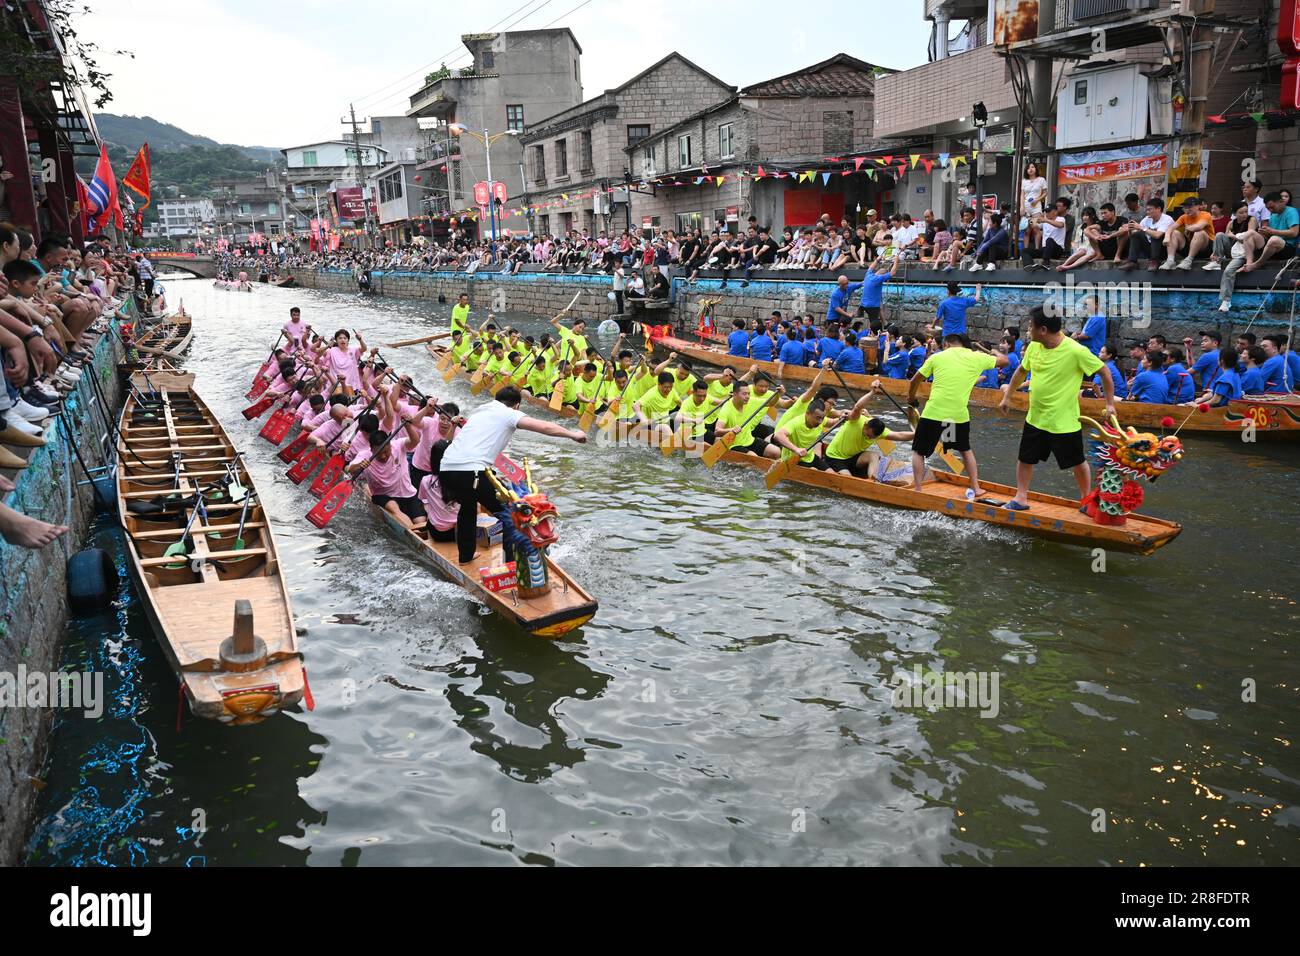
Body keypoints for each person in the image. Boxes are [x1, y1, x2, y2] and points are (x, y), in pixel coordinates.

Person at [439, 387, 587, 564]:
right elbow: (545, 426)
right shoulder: (508, 413)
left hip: (447, 468)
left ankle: (465, 557)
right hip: (471, 471)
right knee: (512, 516)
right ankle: (512, 567)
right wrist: (573, 435)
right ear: (516, 406)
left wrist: (491, 474)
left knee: (468, 508)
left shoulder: (481, 410)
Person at [1000, 307, 1115, 511]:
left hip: (1063, 420)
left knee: (1078, 462)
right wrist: (1008, 396)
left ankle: (1086, 500)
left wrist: (1109, 404)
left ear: (1042, 329)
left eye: (1030, 327)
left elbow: (1104, 372)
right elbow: (1021, 370)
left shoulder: (1075, 350)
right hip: (1036, 417)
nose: (1028, 331)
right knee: (1025, 459)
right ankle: (1021, 497)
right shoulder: (1034, 347)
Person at [908, 332, 1005, 498]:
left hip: (934, 413)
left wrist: (911, 398)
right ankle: (976, 488)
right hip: (957, 415)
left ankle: (918, 489)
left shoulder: (937, 357)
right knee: (964, 449)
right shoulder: (977, 357)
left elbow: (914, 380)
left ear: (946, 344)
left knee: (919, 451)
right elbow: (1005, 360)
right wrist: (990, 352)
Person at [820, 389, 913, 479]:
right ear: (865, 426)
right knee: (848, 478)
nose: (869, 438)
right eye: (868, 435)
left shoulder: (880, 431)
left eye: (872, 438)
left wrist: (919, 433)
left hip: (852, 458)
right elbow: (857, 407)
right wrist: (872, 392)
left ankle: (873, 480)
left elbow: (900, 435)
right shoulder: (856, 420)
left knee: (874, 455)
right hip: (834, 458)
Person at [1119, 198, 1174, 271]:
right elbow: (1136, 234)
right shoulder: (1147, 219)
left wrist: (1141, 228)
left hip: (1163, 250)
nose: (1147, 212)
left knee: (1154, 234)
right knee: (1137, 234)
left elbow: (1157, 235)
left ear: (1158, 209)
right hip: (1150, 249)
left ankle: (1154, 261)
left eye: (1149, 209)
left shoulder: (1167, 219)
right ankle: (1132, 261)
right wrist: (1130, 229)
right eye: (1147, 210)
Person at [1161, 197, 1214, 269]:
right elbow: (1171, 228)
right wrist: (1167, 237)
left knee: (1199, 232)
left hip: (1206, 248)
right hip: (1190, 247)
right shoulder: (1184, 217)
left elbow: (1199, 226)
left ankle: (1188, 261)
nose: (1187, 210)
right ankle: (1170, 261)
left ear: (1198, 206)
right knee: (1174, 232)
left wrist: (1188, 228)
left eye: (1190, 207)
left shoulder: (1206, 215)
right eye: (1185, 207)